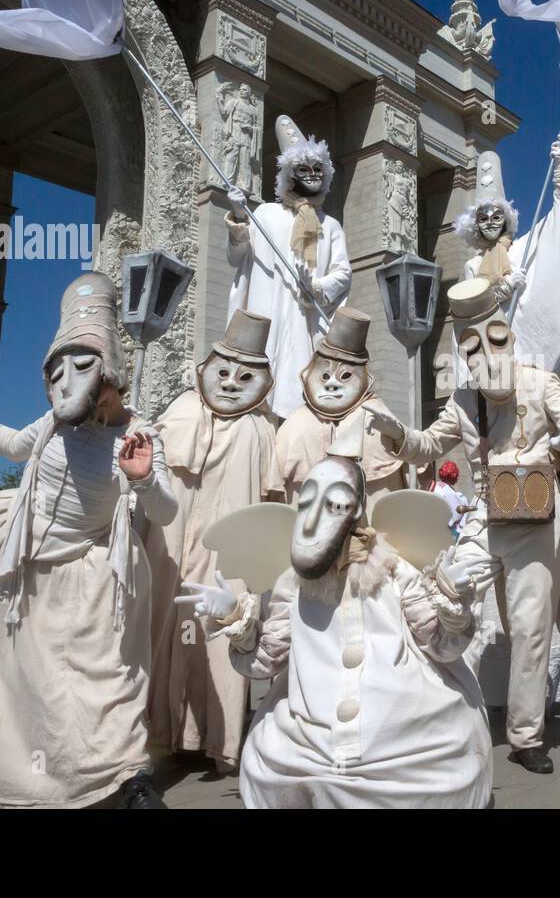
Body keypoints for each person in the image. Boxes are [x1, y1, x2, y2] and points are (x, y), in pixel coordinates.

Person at [0, 272, 179, 809]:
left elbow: (165, 510)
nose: (66, 379)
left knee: (106, 685)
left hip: (95, 577)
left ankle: (129, 777)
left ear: (111, 372)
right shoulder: (53, 423)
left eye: (83, 365)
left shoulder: (140, 433)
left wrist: (143, 478)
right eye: (58, 368)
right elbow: (12, 445)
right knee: (32, 683)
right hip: (29, 569)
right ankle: (19, 774)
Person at [177, 424, 495, 808]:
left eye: (335, 503)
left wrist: (450, 597)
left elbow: (441, 644)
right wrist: (235, 621)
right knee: (279, 769)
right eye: (307, 503)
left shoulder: (394, 569)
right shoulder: (292, 584)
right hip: (310, 733)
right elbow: (268, 658)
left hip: (405, 729)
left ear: (358, 509)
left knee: (437, 777)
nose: (313, 520)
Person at [364, 277, 560, 774]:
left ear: (508, 338)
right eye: (473, 347)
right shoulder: (462, 401)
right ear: (464, 353)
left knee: (530, 630)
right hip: (485, 522)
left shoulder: (539, 382)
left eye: (495, 340)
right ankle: (427, 710)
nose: (486, 354)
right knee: (438, 594)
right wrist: (394, 431)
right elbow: (427, 445)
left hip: (536, 523)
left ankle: (526, 735)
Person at [143, 310, 281, 772]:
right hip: (168, 548)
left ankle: (219, 741)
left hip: (226, 558)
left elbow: (272, 500)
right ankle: (158, 735)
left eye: (243, 376)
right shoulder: (180, 411)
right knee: (161, 628)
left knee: (222, 629)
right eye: (221, 372)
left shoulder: (261, 430)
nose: (228, 383)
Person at [226, 114, 351, 422]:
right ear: (290, 174)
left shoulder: (330, 226)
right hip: (267, 318)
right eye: (304, 169)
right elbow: (237, 258)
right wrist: (240, 219)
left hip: (306, 322)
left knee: (301, 397)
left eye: (318, 169)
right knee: (259, 397)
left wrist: (318, 288)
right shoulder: (265, 214)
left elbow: (343, 273)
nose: (312, 175)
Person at [456, 145, 560, 394]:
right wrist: (505, 288)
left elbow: (553, 223)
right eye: (483, 218)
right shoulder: (473, 265)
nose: (490, 223)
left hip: (526, 350)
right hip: (495, 352)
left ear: (506, 220)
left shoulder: (522, 248)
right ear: (475, 225)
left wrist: (559, 179)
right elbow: (472, 313)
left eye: (496, 217)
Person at [275, 307, 406, 507]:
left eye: (345, 375)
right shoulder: (295, 425)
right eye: (325, 375)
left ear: (366, 379)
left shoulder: (376, 416)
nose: (332, 384)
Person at [432, 461, 467, 534]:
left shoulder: (435, 486)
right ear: (454, 476)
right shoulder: (454, 495)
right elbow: (457, 515)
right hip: (448, 531)